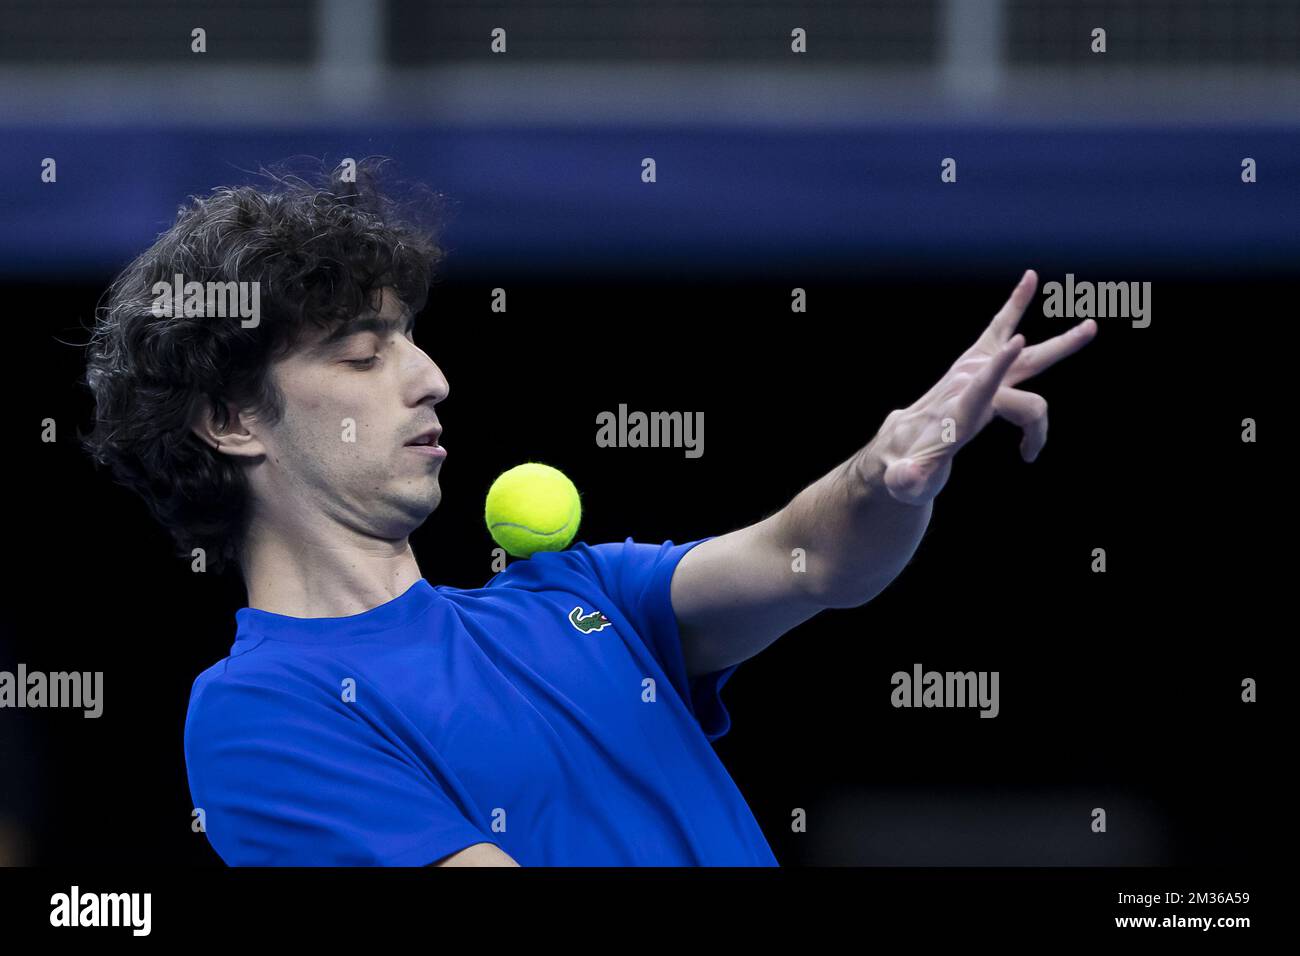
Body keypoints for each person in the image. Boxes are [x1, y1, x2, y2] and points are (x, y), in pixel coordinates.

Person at [82, 158, 1095, 866]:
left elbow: (812, 557)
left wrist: (883, 473)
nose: (432, 378)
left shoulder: (576, 591)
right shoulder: (261, 708)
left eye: (412, 341)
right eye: (361, 352)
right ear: (230, 419)